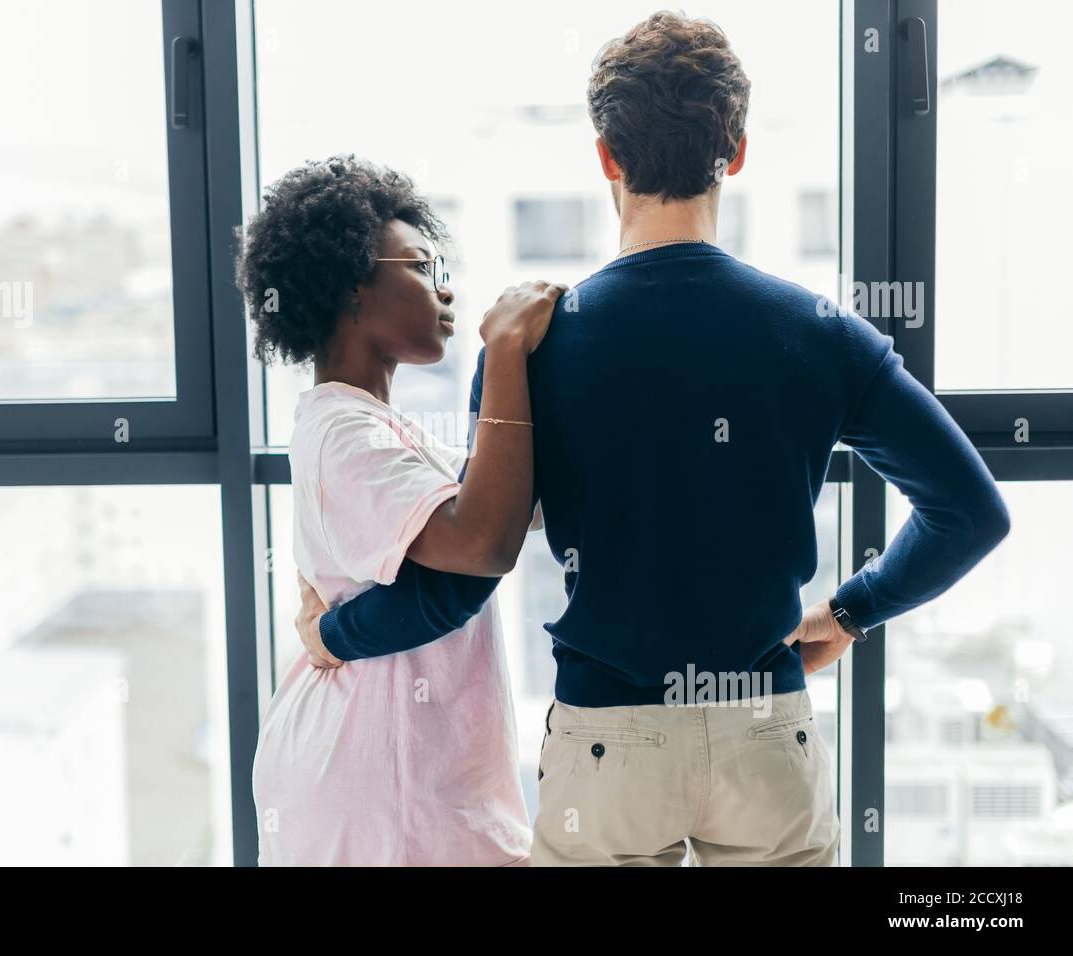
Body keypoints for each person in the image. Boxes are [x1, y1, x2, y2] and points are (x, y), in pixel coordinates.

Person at [295, 11, 1011, 866]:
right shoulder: (823, 334)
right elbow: (970, 513)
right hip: (764, 731)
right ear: (736, 152)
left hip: (607, 742)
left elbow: (480, 554)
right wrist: (851, 611)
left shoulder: (532, 347)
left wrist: (333, 631)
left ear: (606, 156)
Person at [237, 154, 565, 865]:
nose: (448, 291)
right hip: (383, 779)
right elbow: (484, 543)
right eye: (423, 268)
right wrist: (503, 352)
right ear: (353, 287)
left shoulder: (376, 428)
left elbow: (511, 507)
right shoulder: (344, 434)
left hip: (401, 774)